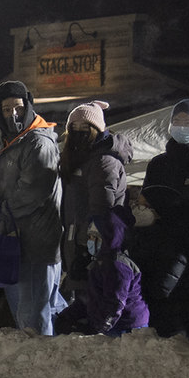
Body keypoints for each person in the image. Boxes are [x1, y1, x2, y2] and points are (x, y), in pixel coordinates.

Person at [0, 81, 65, 334]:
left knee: (33, 320)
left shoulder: (38, 142)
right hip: (18, 240)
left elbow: (33, 191)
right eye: (6, 108)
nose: (13, 113)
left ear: (29, 106)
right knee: (28, 312)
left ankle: (43, 368)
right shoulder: (13, 141)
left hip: (36, 243)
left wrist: (0, 211)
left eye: (18, 107)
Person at [128, 185, 189, 345]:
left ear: (160, 209)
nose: (138, 210)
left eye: (144, 206)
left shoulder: (179, 239)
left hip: (180, 328)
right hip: (163, 321)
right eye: (136, 204)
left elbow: (162, 286)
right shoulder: (147, 234)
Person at [59, 101, 132, 275]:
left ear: (97, 129)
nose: (78, 131)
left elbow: (101, 208)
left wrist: (84, 249)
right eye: (73, 126)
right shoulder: (78, 158)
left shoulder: (103, 161)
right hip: (75, 240)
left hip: (94, 248)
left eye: (85, 126)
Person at [78, 209, 148, 336]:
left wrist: (99, 329)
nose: (91, 241)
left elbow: (115, 303)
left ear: (108, 238)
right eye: (90, 237)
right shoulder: (99, 263)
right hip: (114, 324)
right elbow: (92, 296)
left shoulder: (118, 266)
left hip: (127, 327)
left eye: (96, 237)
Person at [144, 99, 189, 200]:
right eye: (176, 121)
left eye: (188, 123)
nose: (181, 127)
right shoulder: (158, 163)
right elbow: (145, 197)